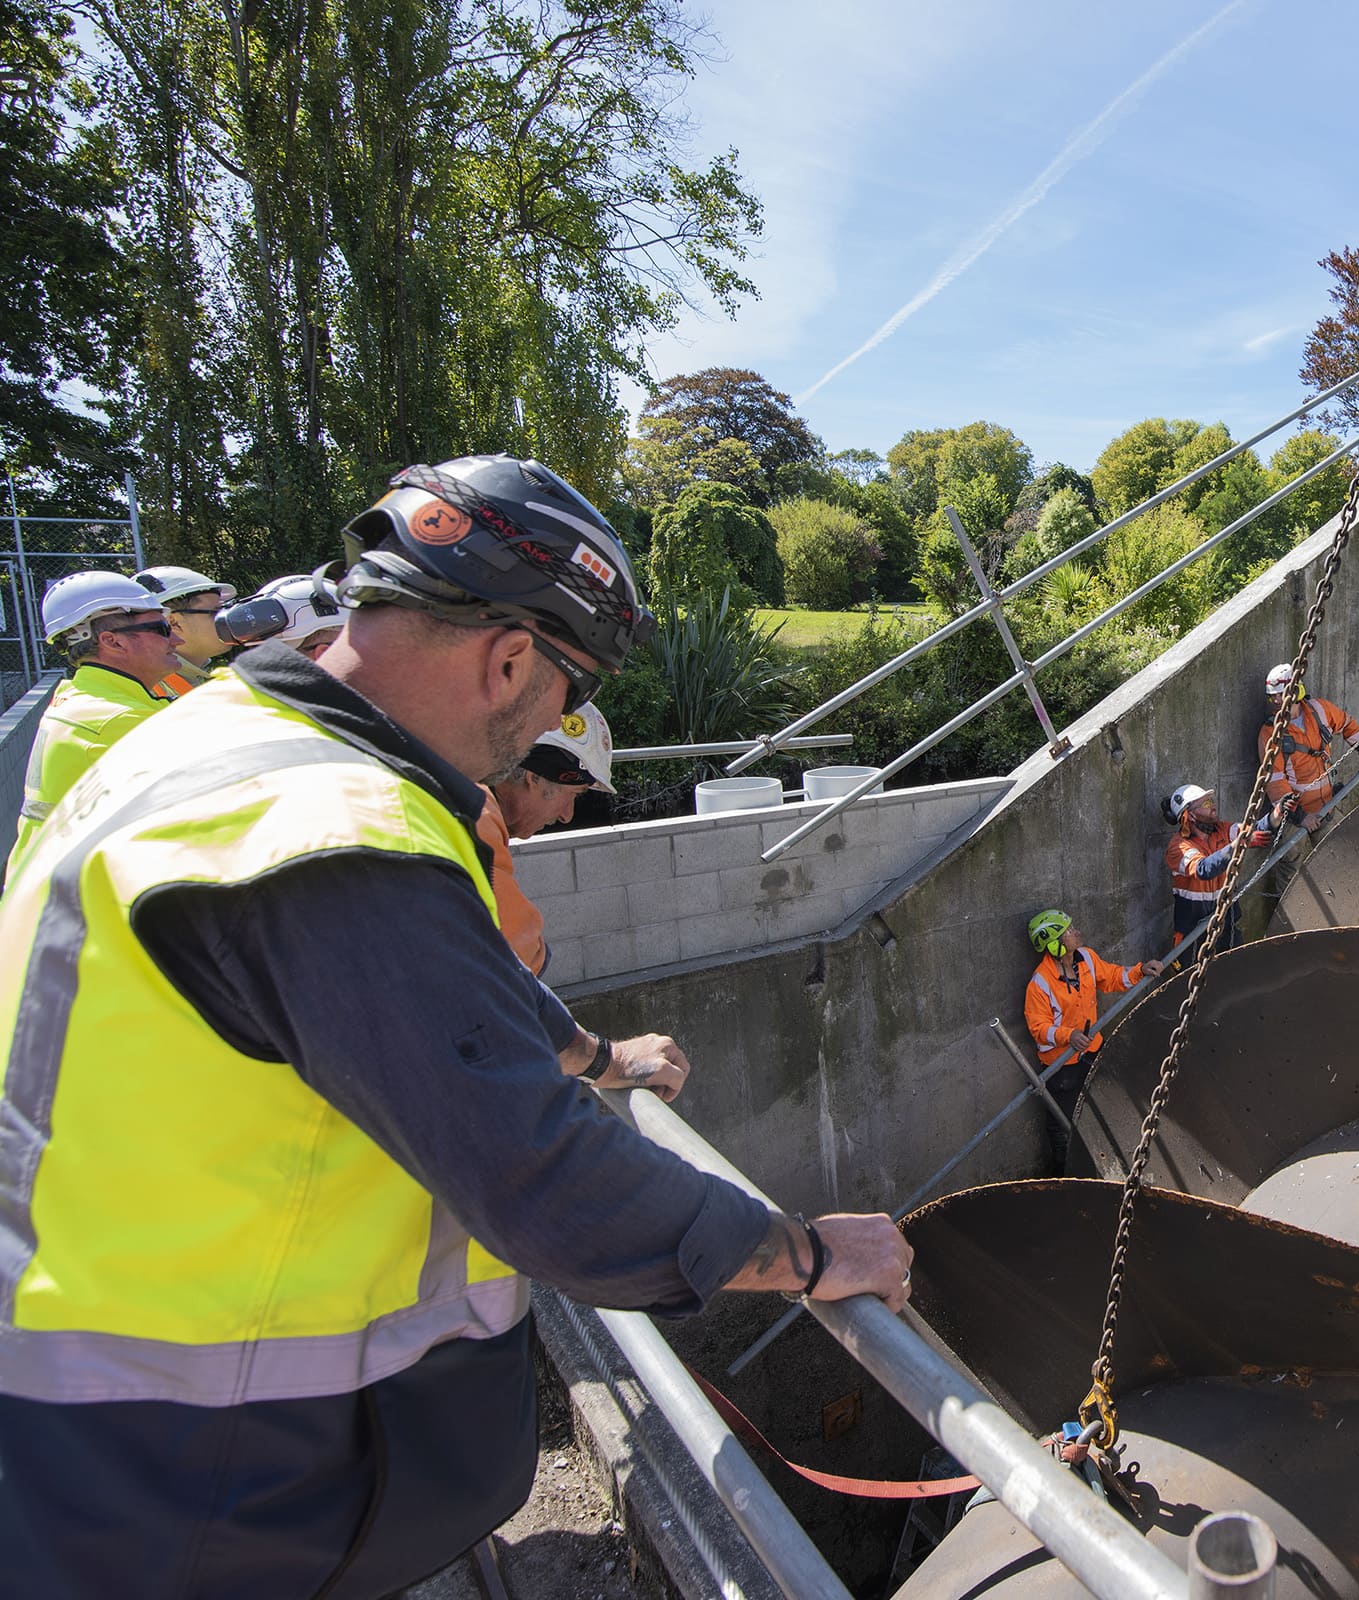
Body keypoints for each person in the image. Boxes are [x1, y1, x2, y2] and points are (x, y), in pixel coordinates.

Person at [0, 454, 911, 1598]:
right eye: (568, 697)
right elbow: (553, 1187)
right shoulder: (329, 832)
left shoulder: (214, 744)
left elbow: (451, 993)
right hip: (192, 1487)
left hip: (124, 1433)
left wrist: (595, 1055)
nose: (559, 724)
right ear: (512, 657)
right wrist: (814, 1253)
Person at [6, 570, 177, 877]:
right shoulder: (117, 719)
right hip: (75, 910)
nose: (177, 639)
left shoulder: (80, 696)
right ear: (113, 642)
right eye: (163, 628)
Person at [479, 702, 617, 974]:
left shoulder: (459, 797)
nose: (567, 815)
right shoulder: (474, 815)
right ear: (534, 779)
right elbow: (523, 955)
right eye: (573, 795)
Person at [1022, 910, 1162, 1165]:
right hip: (1062, 1067)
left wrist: (1141, 970)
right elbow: (1038, 1028)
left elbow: (1110, 977)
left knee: (1107, 1105)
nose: (1076, 932)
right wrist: (1069, 1036)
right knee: (1062, 1126)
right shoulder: (1040, 984)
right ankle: (1065, 1174)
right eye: (1068, 931)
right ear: (1054, 944)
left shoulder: (1085, 957)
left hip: (1093, 1051)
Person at [1160, 782, 1286, 958]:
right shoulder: (1178, 847)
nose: (1212, 806)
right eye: (1205, 804)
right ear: (1190, 815)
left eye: (1211, 800)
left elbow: (1254, 829)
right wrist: (1237, 845)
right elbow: (1204, 869)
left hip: (1225, 925)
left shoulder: (1222, 830)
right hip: (1194, 935)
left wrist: (1277, 814)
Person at [1257, 661, 1359, 833]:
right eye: (1272, 696)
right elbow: (1275, 782)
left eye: (1280, 694)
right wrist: (1300, 816)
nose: (1276, 700)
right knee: (1294, 857)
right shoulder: (1270, 732)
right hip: (1295, 817)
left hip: (1327, 805)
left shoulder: (1319, 710)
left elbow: (1347, 724)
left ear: (1296, 691)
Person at [134, 563, 235, 694]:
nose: (225, 617)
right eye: (215, 612)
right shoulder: (153, 689)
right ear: (173, 622)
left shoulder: (181, 679)